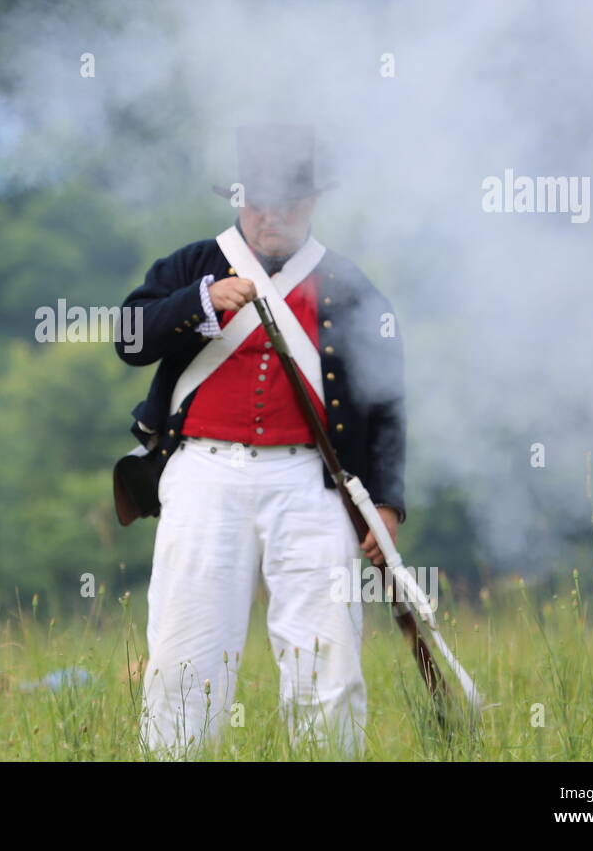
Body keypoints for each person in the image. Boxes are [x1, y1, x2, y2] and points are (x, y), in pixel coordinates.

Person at [115, 124, 406, 757]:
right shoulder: (193, 266)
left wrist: (384, 502)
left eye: (286, 203)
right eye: (258, 201)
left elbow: (385, 400)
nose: (270, 215)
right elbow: (131, 338)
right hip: (202, 473)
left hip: (309, 483)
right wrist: (200, 301)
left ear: (313, 205)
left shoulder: (349, 286)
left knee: (327, 658)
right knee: (184, 654)